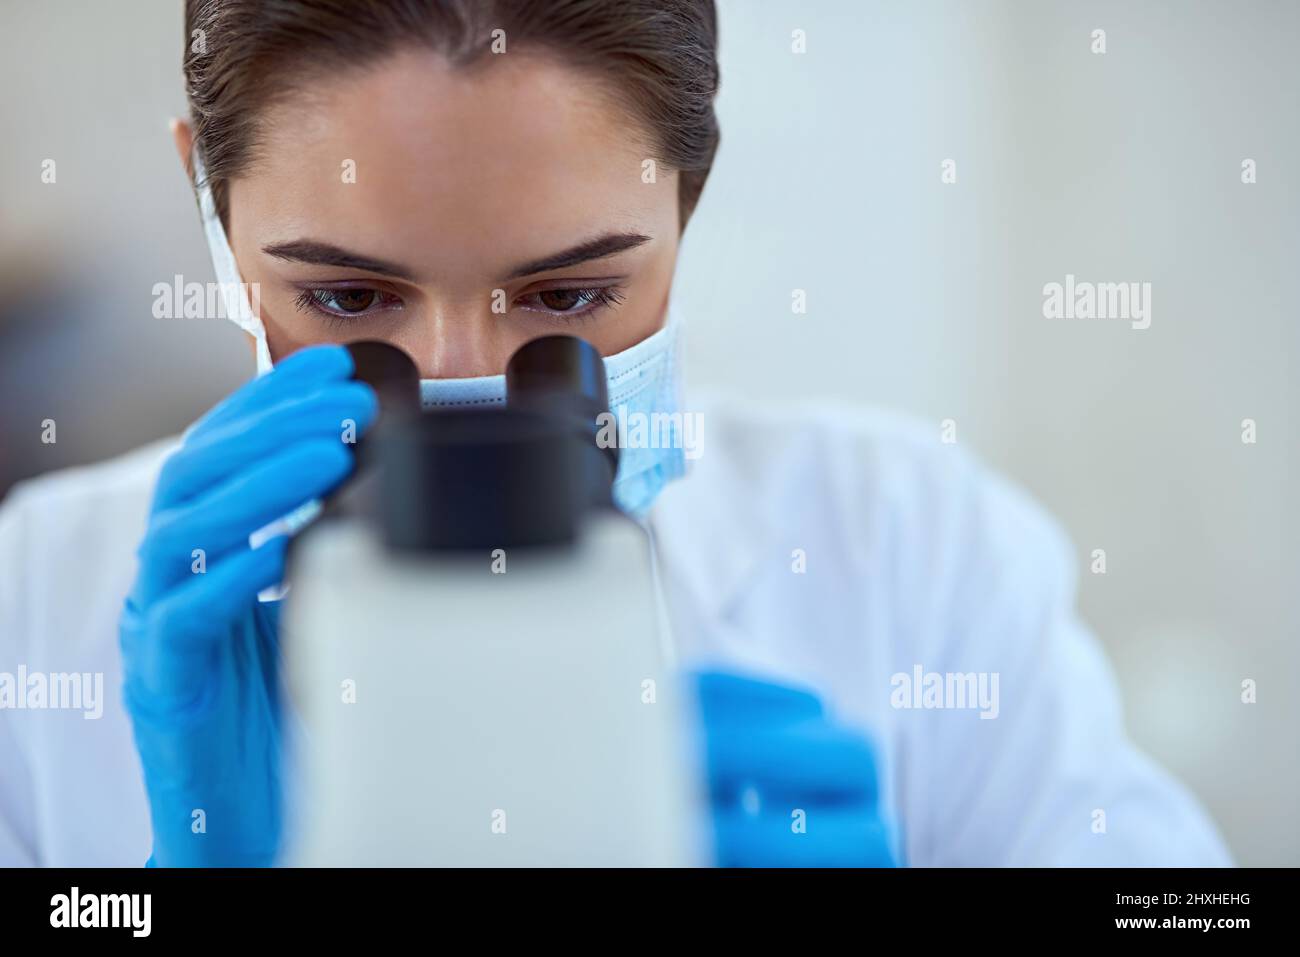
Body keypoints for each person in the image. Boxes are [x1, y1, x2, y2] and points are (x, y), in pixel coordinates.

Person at [0, 0, 1229, 867]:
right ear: (209, 213)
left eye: (571, 298)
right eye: (349, 301)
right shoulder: (33, 597)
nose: (463, 388)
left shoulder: (910, 544)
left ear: (685, 204)